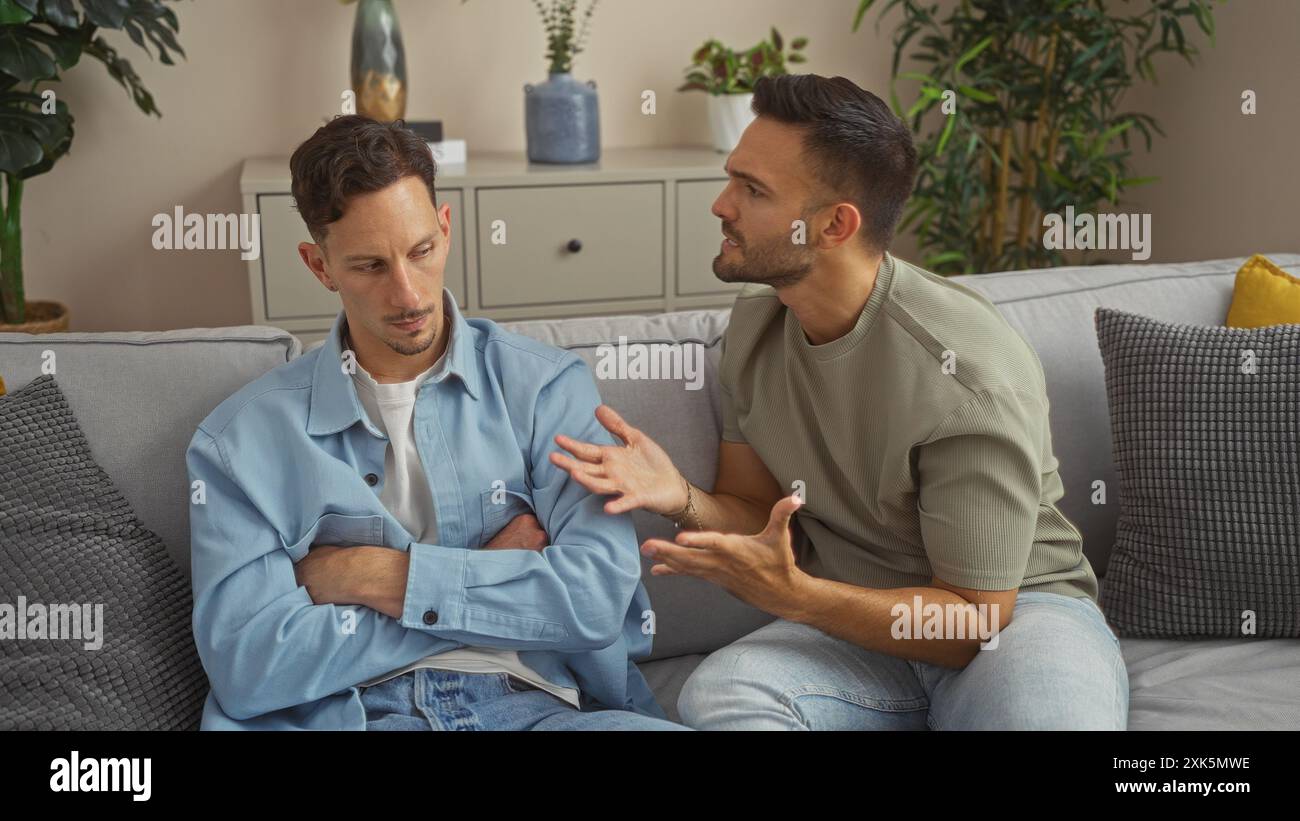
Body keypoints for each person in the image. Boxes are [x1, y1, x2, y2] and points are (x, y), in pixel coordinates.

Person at [551, 74, 1128, 730]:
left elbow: (970, 620)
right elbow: (755, 512)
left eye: (752, 190)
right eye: (731, 178)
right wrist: (679, 496)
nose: (721, 204)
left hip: (1013, 616)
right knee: (721, 694)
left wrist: (800, 596)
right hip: (859, 621)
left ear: (835, 225)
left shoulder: (964, 374)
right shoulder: (758, 325)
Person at [185, 115, 687, 731]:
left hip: (536, 705)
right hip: (356, 715)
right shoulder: (239, 442)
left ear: (445, 230)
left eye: (421, 251)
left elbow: (594, 601)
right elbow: (249, 665)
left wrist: (372, 576)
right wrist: (483, 583)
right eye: (369, 266)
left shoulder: (546, 389)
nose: (408, 295)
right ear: (320, 267)